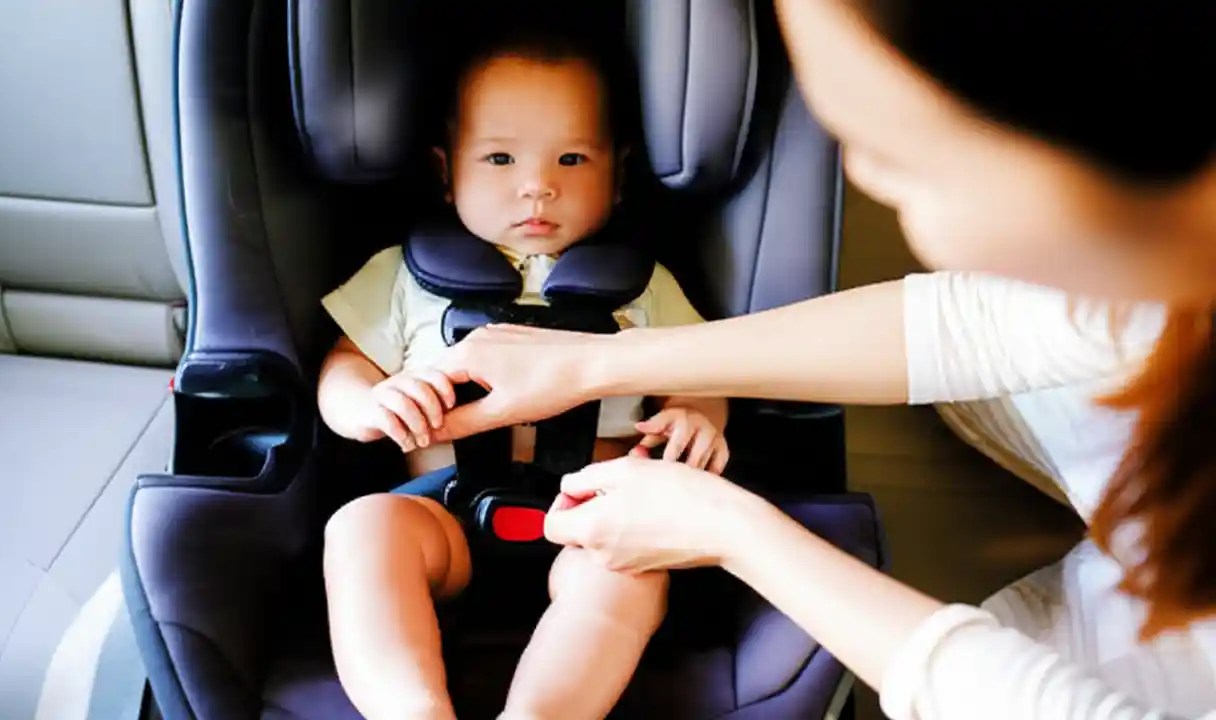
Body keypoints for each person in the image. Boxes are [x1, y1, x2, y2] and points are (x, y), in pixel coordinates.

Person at [431, 1, 1216, 718]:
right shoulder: (1152, 272)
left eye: (898, 154)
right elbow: (984, 323)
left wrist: (735, 528)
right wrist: (604, 363)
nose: (861, 177)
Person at [316, 29, 729, 720]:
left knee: (628, 578)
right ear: (447, 173)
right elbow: (344, 364)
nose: (538, 185)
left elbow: (701, 374)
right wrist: (366, 402)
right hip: (439, 512)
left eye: (571, 158)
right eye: (500, 158)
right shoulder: (405, 276)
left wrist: (695, 414)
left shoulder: (644, 285)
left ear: (618, 176)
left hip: (598, 518)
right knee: (362, 527)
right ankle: (410, 708)